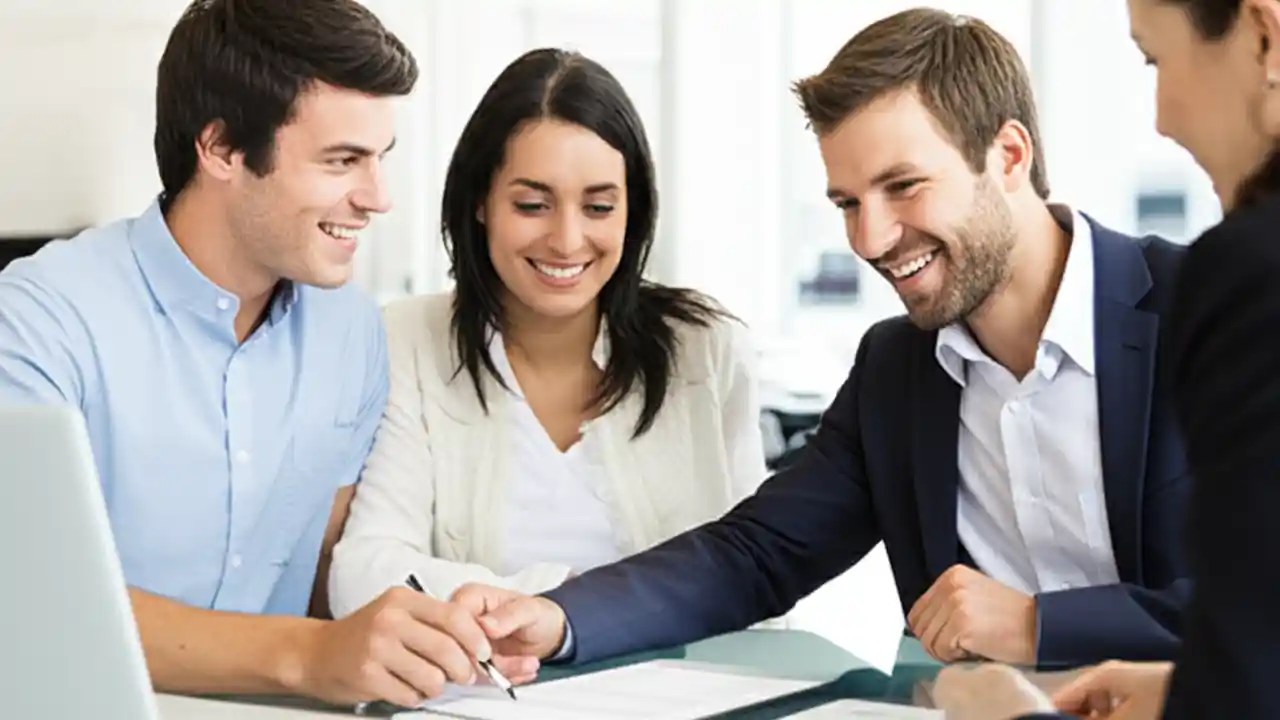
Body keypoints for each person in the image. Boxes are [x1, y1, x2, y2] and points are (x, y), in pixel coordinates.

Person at [447, 7, 1193, 671]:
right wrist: (560, 616)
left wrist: (1038, 625)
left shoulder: (1216, 312)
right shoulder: (896, 371)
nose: (870, 237)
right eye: (847, 202)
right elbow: (756, 556)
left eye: (903, 187)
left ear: (1008, 156)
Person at [0, 0, 535, 709]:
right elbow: (24, 600)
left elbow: (322, 576)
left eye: (380, 160)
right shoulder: (41, 318)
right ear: (220, 149)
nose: (377, 198)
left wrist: (430, 629)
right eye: (342, 160)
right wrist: (307, 655)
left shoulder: (350, 331)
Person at [327, 48, 766, 613]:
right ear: (482, 201)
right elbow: (363, 576)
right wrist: (566, 606)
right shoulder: (408, 339)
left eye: (600, 207)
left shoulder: (708, 351)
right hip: (488, 696)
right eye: (533, 204)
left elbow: (758, 577)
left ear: (634, 211)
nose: (566, 240)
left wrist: (556, 609)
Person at [935, 0, 1280, 717]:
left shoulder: (1247, 274)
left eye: (1155, 59)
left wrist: (1010, 713)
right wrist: (1184, 690)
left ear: (1264, 36)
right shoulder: (898, 366)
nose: (1162, 118)